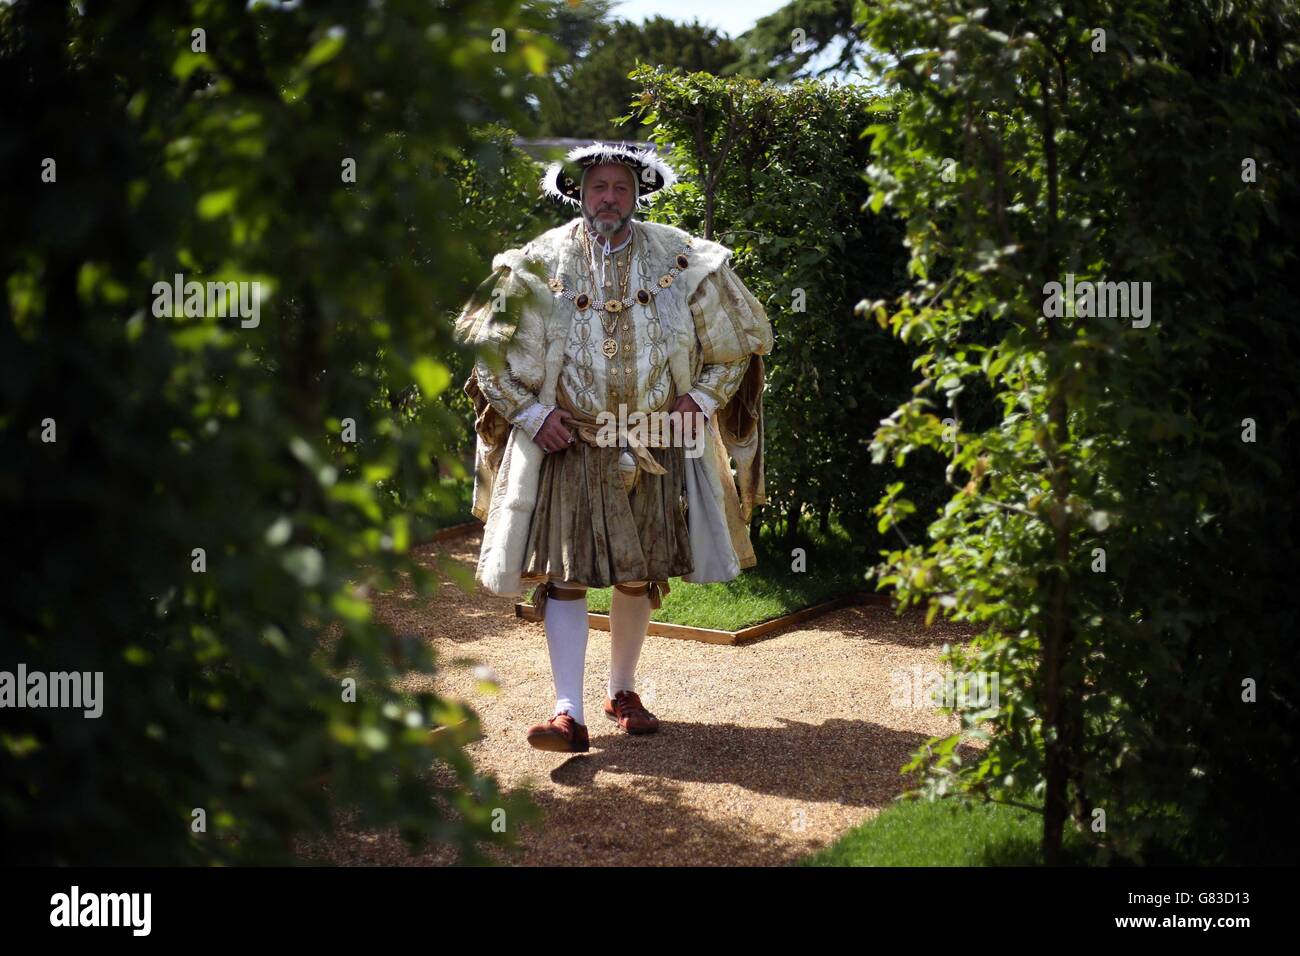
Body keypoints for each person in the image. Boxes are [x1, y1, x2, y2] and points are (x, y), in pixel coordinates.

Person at [453, 141, 773, 753]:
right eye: (598, 186)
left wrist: (700, 401)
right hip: (569, 443)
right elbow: (488, 355)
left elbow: (734, 349)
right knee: (565, 578)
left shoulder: (686, 258)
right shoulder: (533, 262)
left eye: (621, 187)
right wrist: (530, 411)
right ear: (578, 192)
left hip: (657, 444)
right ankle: (566, 712)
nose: (609, 197)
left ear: (637, 193)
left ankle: (622, 691)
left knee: (637, 575)